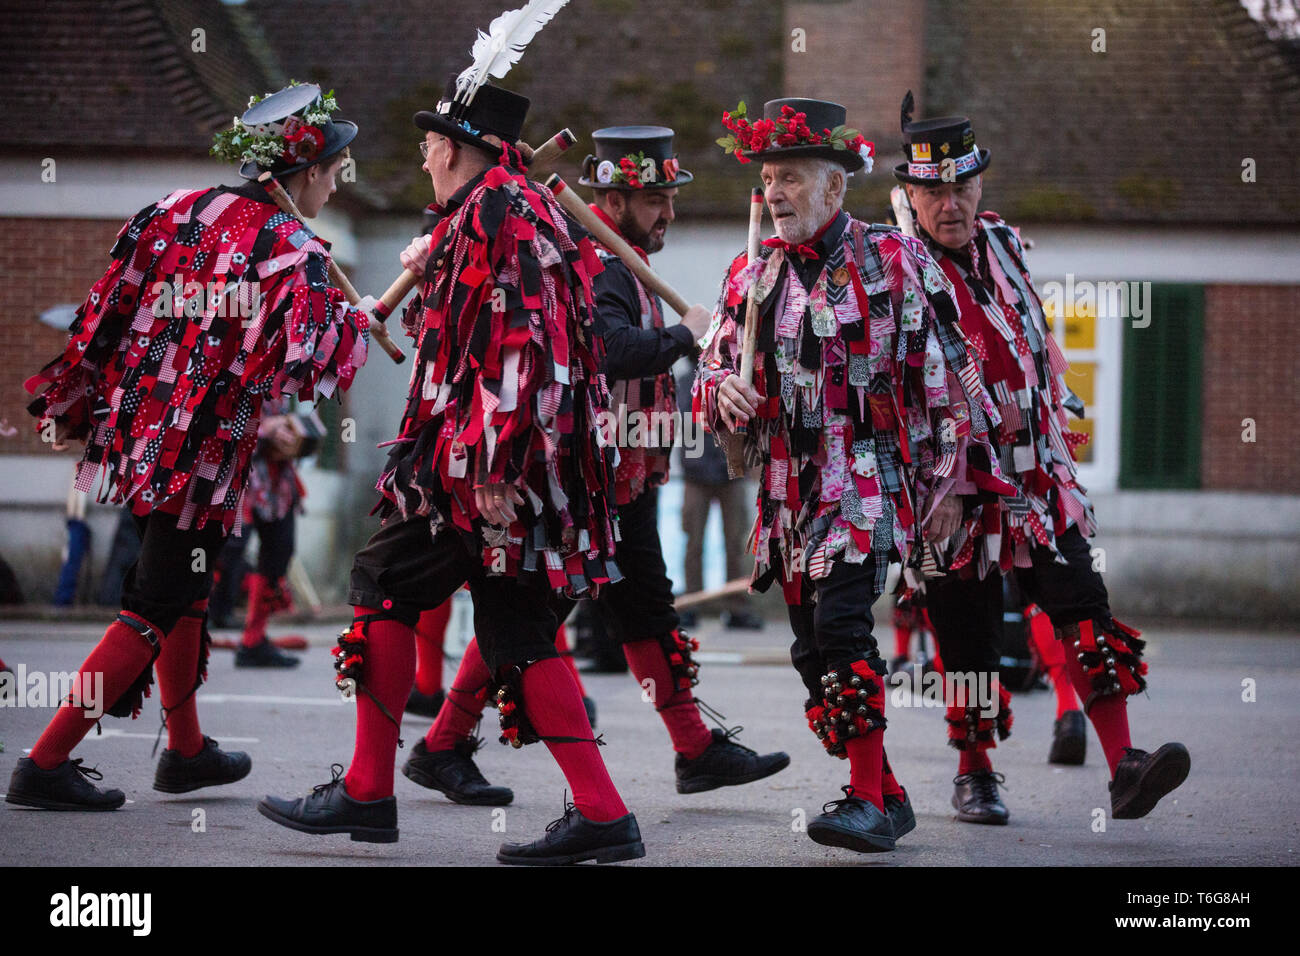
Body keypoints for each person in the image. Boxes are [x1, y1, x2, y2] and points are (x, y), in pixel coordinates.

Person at [258, 81, 644, 866]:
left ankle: (368, 790)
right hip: (515, 461)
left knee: (382, 580)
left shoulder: (498, 210)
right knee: (516, 629)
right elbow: (467, 331)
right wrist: (428, 279)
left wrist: (495, 461)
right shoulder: (497, 207)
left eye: (430, 142)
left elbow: (523, 342)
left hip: (483, 463)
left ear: (451, 150)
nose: (422, 153)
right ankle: (604, 814)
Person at [7, 83, 370, 811]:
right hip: (201, 453)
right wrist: (378, 311)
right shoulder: (290, 246)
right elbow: (314, 359)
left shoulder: (176, 209)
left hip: (141, 435)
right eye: (333, 170)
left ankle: (184, 750)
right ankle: (44, 762)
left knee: (185, 586)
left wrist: (86, 397)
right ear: (302, 174)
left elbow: (104, 312)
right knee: (158, 596)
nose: (336, 183)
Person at [402, 126, 788, 808]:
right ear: (612, 196)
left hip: (626, 478)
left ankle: (694, 747)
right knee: (536, 614)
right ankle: (444, 744)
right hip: (585, 480)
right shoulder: (597, 262)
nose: (669, 211)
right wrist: (682, 335)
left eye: (670, 196)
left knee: (639, 611)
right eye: (656, 199)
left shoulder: (626, 259)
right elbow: (607, 348)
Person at [698, 97, 1003, 853]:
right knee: (810, 648)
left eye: (792, 178)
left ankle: (865, 799)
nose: (775, 193)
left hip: (865, 481)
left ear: (836, 188)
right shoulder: (750, 271)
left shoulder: (893, 260)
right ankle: (889, 791)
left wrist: (949, 484)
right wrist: (719, 390)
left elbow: (945, 377)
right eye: (769, 177)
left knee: (840, 627)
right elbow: (711, 364)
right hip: (784, 492)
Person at [893, 92, 1189, 823]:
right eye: (933, 192)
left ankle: (1124, 763)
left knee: (1083, 606)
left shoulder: (1007, 246)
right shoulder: (890, 267)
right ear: (910, 195)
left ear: (980, 186)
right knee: (965, 639)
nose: (950, 204)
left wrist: (1058, 410)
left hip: (1035, 475)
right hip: (948, 494)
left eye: (961, 188)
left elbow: (1035, 343)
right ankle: (975, 774)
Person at [675, 360, 764, 630]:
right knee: (694, 543)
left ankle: (736, 607)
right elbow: (683, 415)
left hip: (731, 470)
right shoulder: (686, 380)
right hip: (697, 471)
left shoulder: (737, 371)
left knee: (735, 543)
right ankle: (692, 604)